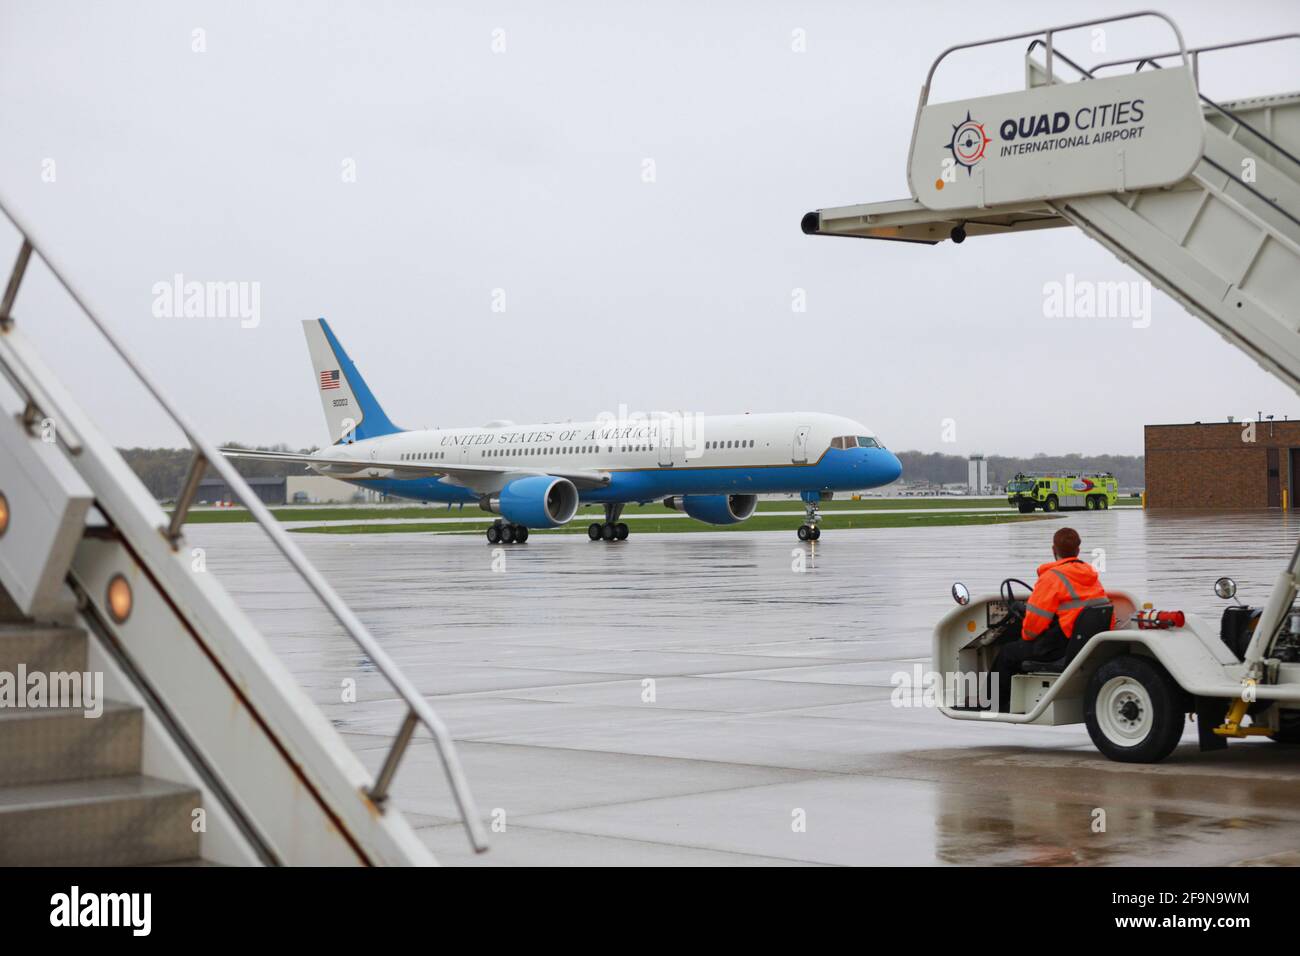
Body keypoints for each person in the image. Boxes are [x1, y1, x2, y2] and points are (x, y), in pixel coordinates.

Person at [991, 527, 1110, 712]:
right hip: (1082, 645)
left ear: (1053, 550)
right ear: (1078, 550)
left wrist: (1024, 632)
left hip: (1060, 649)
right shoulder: (1090, 576)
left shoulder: (1051, 578)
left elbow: (1032, 628)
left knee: (1008, 652)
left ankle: (992, 702)